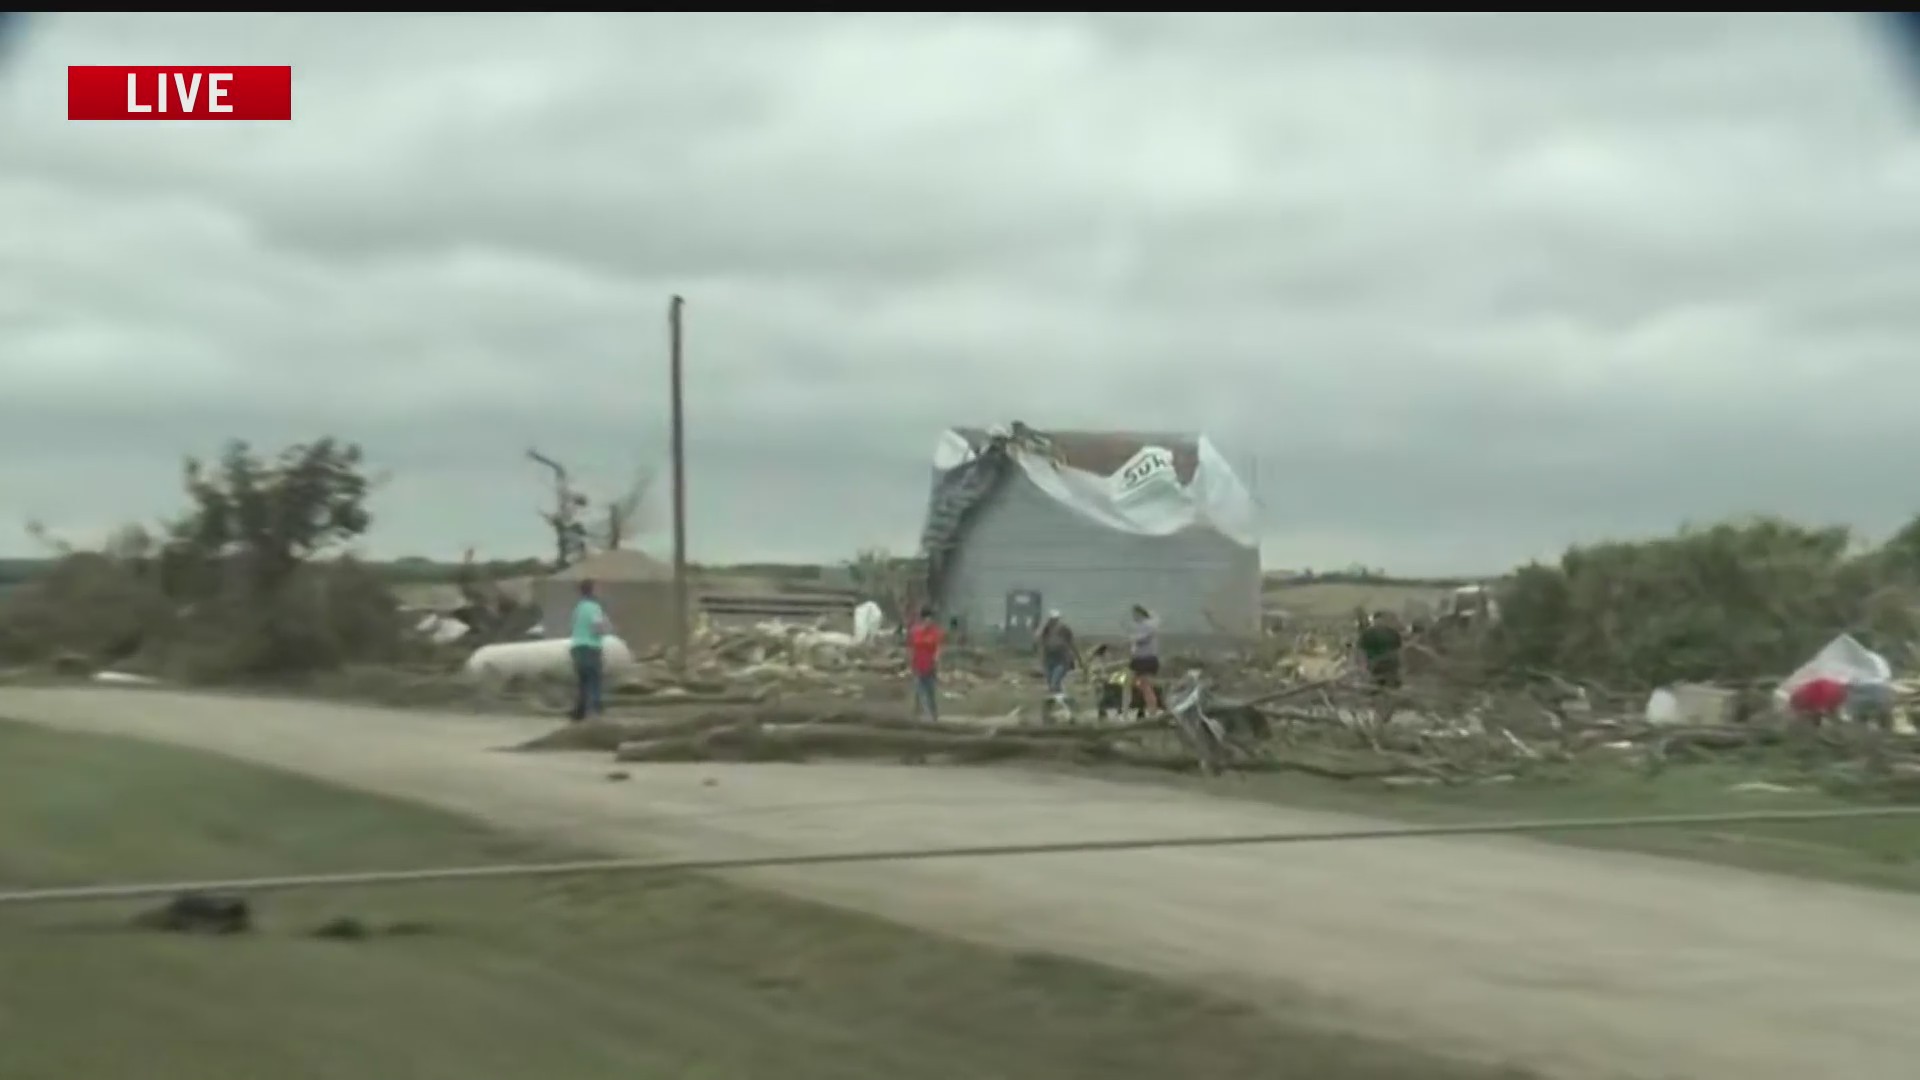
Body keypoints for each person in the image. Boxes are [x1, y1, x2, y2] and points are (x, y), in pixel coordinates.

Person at [567, 579, 614, 722]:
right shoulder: (594, 607)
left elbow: (572, 626)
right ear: (592, 591)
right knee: (594, 681)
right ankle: (594, 712)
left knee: (583, 682)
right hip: (591, 647)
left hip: (577, 647)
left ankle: (579, 712)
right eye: (597, 588)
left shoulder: (578, 607)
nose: (600, 591)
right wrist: (607, 628)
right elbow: (597, 627)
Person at [908, 606, 945, 722]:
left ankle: (933, 715)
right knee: (920, 691)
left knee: (930, 692)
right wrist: (911, 664)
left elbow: (938, 648)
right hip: (918, 666)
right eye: (927, 619)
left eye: (930, 619)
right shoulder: (915, 632)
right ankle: (923, 715)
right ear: (923, 619)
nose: (929, 621)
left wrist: (936, 661)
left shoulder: (935, 632)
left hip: (930, 667)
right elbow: (912, 649)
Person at [1036, 609, 1081, 698]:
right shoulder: (1046, 629)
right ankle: (1058, 695)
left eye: (1055, 619)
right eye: (1052, 619)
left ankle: (1058, 693)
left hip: (1061, 657)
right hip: (1050, 656)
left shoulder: (1064, 629)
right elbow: (1040, 641)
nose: (1053, 621)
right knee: (1050, 679)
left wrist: (1077, 658)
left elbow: (1071, 642)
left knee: (1055, 679)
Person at [1356, 610, 1405, 691]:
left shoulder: (1393, 633)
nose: (1380, 622)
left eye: (1381, 620)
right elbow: (1361, 652)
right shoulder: (1367, 634)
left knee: (1389, 688)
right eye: (1378, 620)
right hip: (1377, 667)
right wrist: (1363, 669)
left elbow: (1399, 651)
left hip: (1387, 667)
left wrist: (1400, 669)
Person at [1127, 604, 1161, 715]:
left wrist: (1133, 639)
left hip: (1146, 659)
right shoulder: (1141, 626)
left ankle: (1152, 710)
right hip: (1140, 659)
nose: (1133, 616)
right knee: (1136, 683)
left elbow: (1143, 637)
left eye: (1135, 614)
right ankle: (1143, 707)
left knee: (1145, 685)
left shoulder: (1147, 625)